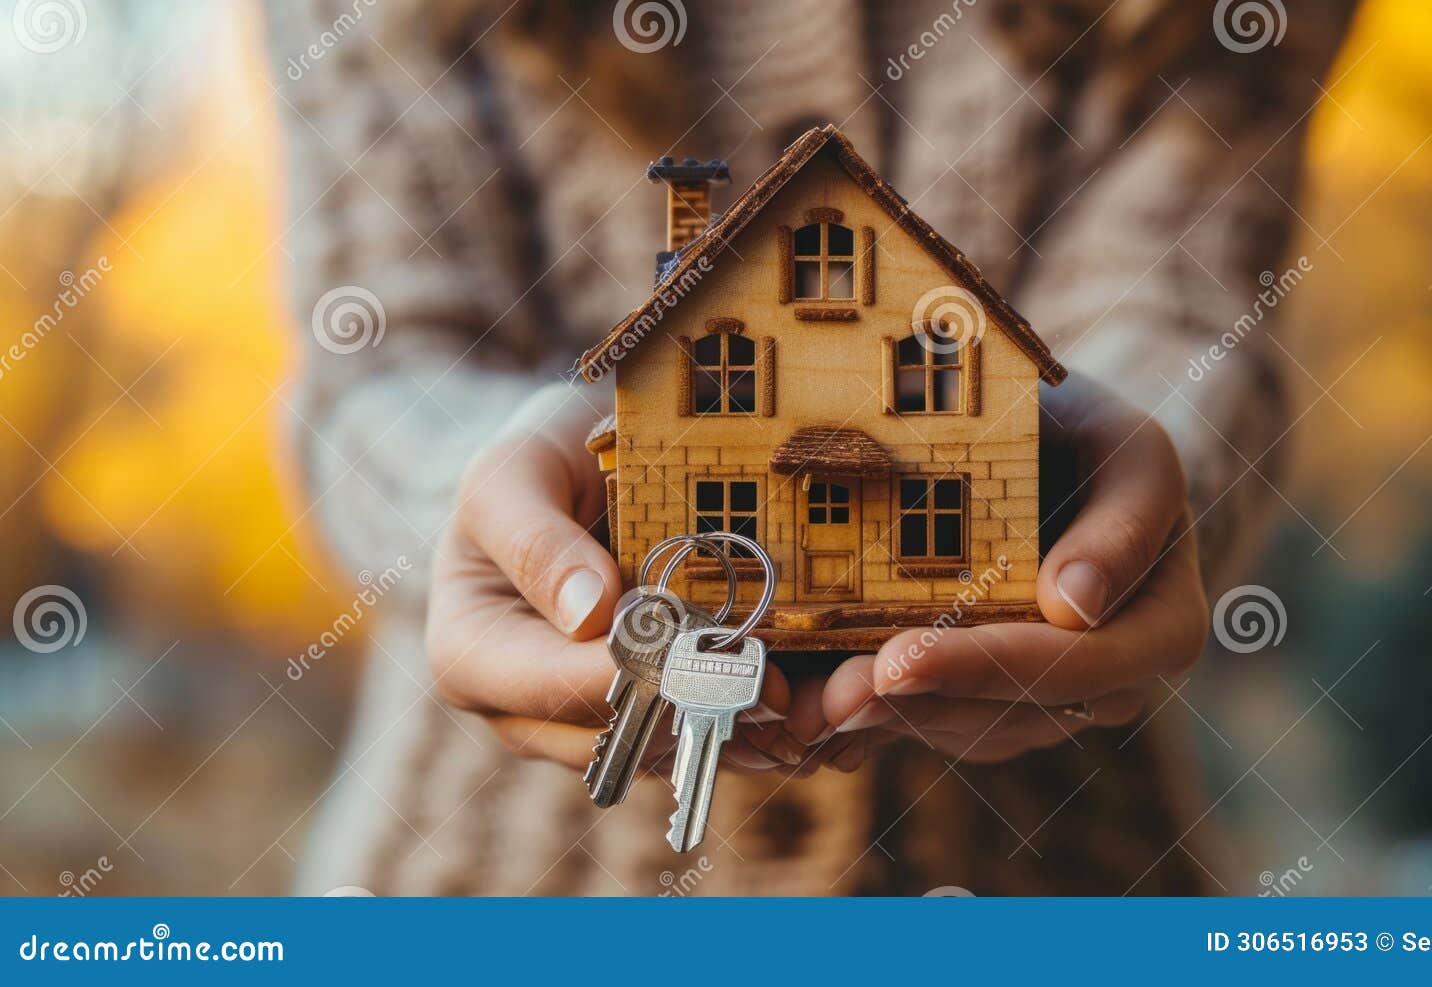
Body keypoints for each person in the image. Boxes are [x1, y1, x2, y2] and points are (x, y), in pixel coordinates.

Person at [264, 0, 1357, 895]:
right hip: (492, 878)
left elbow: (1182, 306)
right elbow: (381, 355)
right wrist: (494, 499)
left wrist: (1132, 477)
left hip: (1058, 877)